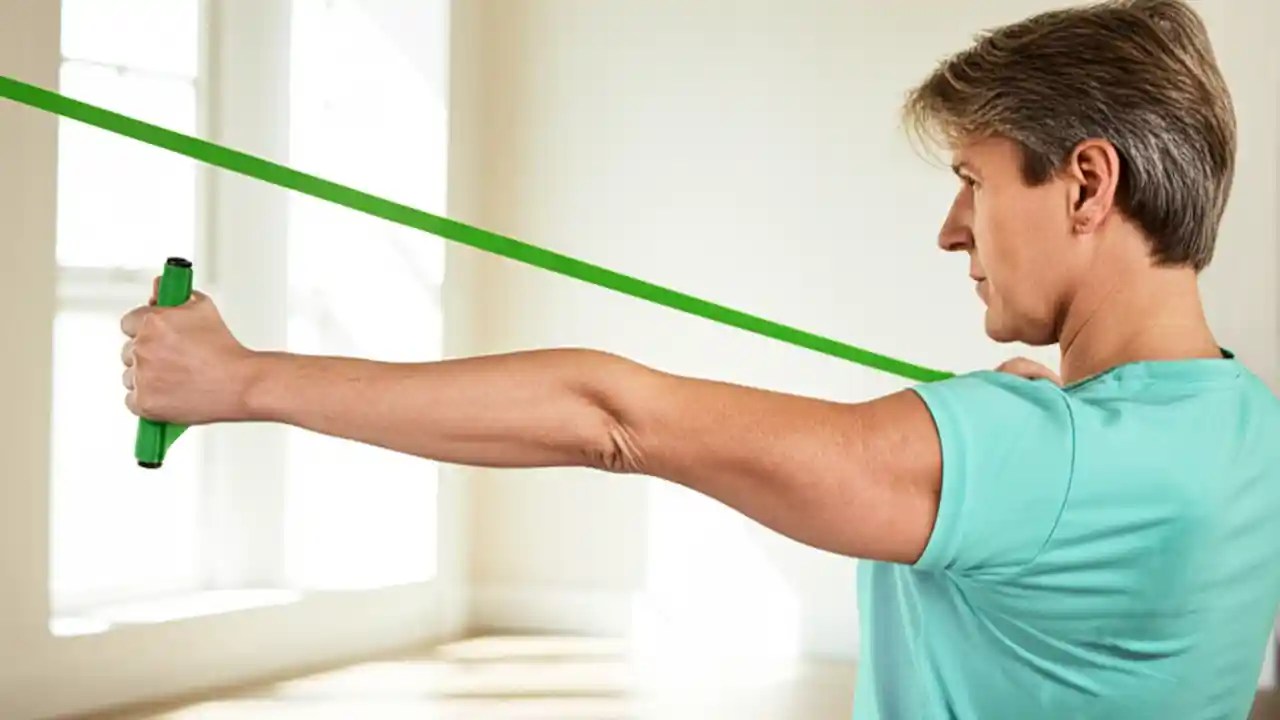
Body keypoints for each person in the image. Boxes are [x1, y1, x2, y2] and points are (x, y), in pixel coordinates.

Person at [119, 0, 1280, 717]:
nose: (948, 231)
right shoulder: (1235, 418)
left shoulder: (1053, 461)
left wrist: (240, 380)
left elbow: (604, 415)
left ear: (1084, 182)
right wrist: (1040, 445)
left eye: (970, 182)